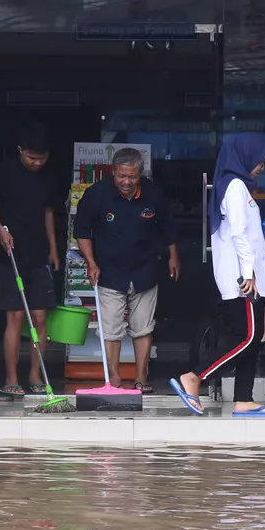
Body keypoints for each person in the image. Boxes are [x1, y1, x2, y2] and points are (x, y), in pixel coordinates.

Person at [169, 134, 265, 417]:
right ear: (245, 156)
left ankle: (244, 398)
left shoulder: (236, 187)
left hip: (251, 278)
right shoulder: (235, 187)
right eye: (260, 160)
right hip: (244, 280)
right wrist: (248, 273)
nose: (261, 166)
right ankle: (195, 376)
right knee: (246, 337)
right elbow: (239, 234)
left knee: (253, 339)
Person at [74, 148, 179, 392]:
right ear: (114, 172)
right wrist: (91, 262)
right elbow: (81, 232)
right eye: (122, 176)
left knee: (143, 328)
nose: (127, 182)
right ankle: (114, 380)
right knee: (111, 330)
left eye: (132, 177)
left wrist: (174, 257)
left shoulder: (154, 193)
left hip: (145, 269)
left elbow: (168, 227)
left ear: (140, 174)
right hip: (108, 271)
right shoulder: (97, 195)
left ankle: (141, 378)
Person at [0, 123, 60, 397]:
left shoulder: (47, 176)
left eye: (41, 158)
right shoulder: (3, 173)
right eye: (31, 157)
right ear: (20, 151)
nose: (37, 163)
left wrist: (53, 248)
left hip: (38, 252)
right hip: (8, 254)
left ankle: (36, 375)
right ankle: (11, 378)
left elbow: (49, 212)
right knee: (15, 316)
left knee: (40, 318)